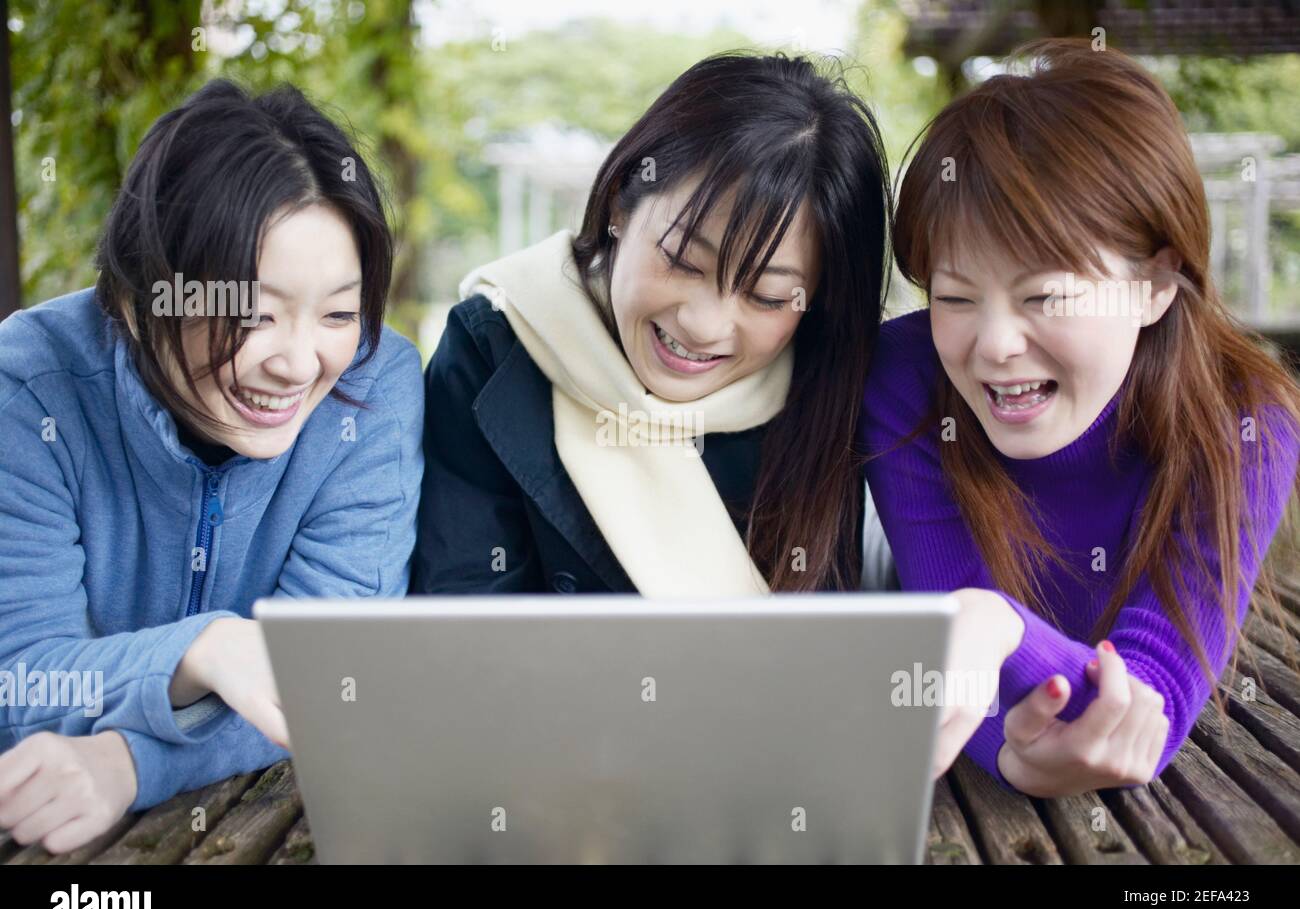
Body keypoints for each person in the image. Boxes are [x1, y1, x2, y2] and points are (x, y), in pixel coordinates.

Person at [863, 39, 1300, 796]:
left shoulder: (1243, 419)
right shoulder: (903, 378)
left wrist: (996, 626)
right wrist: (1007, 747)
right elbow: (965, 679)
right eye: (954, 297)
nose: (994, 346)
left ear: (1156, 286)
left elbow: (1149, 707)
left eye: (1044, 297)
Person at [0, 79, 423, 852]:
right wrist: (201, 651)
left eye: (337, 312)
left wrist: (129, 761)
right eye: (254, 314)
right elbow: (18, 678)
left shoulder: (374, 387)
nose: (299, 363)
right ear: (134, 298)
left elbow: (332, 679)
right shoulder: (31, 386)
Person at [412, 51, 893, 596]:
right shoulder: (495, 348)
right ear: (620, 203)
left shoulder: (838, 386)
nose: (705, 324)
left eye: (767, 295)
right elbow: (466, 631)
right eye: (683, 258)